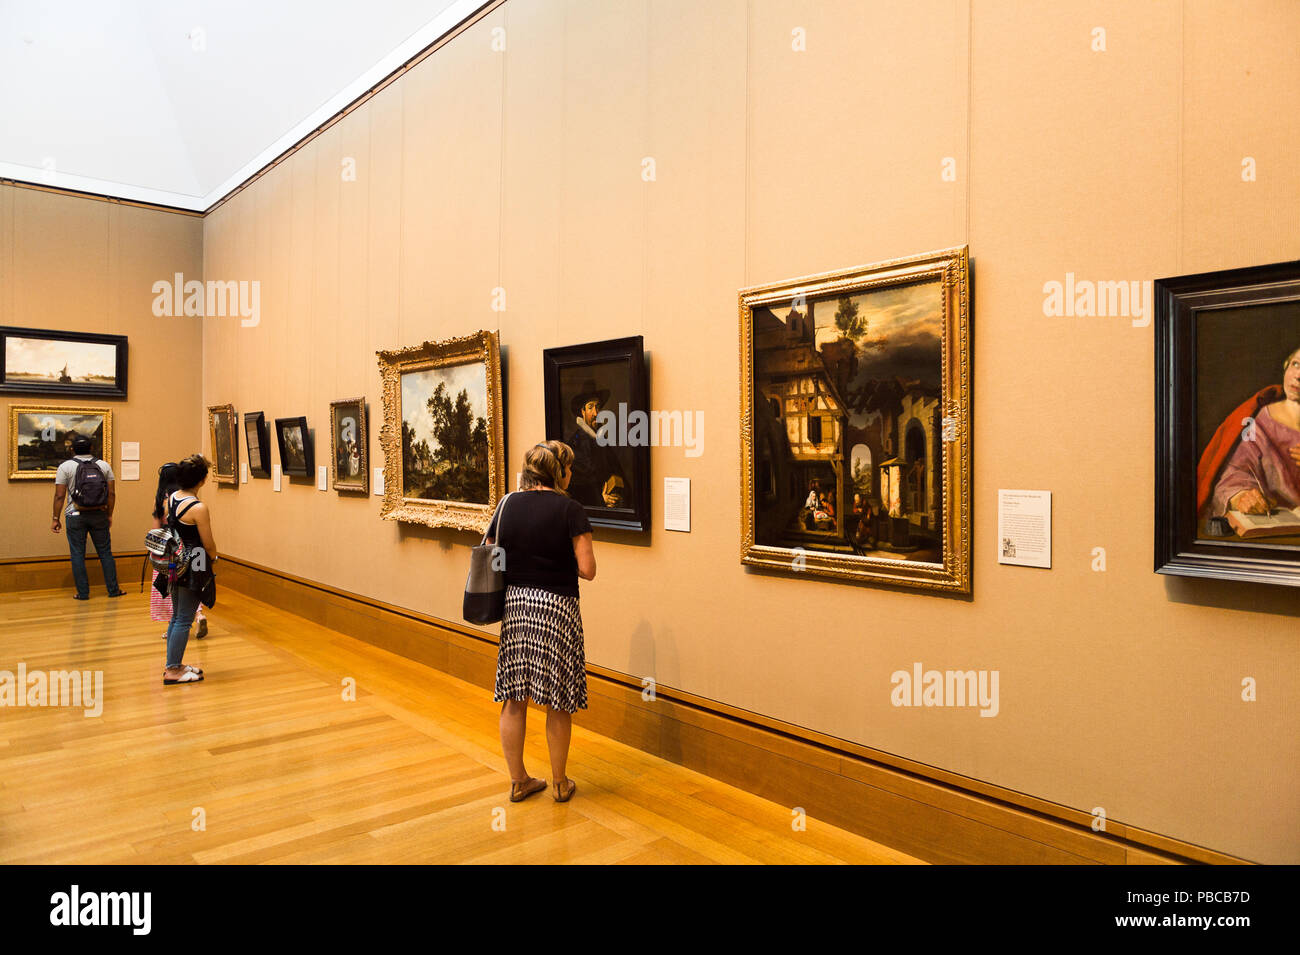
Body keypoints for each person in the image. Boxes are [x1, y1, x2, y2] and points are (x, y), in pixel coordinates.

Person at [484, 440, 596, 803]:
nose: (572, 473)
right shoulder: (570, 509)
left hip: (516, 606)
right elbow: (587, 569)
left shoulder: (507, 504)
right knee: (558, 700)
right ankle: (560, 783)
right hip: (557, 609)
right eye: (570, 467)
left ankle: (519, 780)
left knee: (515, 696)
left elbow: (488, 548)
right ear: (558, 472)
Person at [1199, 345, 1300, 519]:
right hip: (1275, 524)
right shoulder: (1258, 423)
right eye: (1296, 364)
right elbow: (1235, 472)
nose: (1298, 376)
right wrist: (1241, 496)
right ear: (1286, 366)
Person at [162, 454, 218, 685]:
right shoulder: (198, 508)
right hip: (194, 561)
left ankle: (174, 664)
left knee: (177, 616)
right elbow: (208, 543)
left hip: (174, 559)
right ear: (202, 480)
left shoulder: (171, 498)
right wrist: (214, 558)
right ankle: (172, 670)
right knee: (184, 618)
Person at [51, 434, 122, 600]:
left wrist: (55, 518)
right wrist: (109, 514)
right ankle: (113, 590)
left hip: (75, 515)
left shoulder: (65, 467)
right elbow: (111, 493)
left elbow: (59, 496)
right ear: (91, 448)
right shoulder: (103, 465)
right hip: (99, 514)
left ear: (72, 449)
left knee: (77, 554)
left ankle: (83, 593)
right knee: (105, 553)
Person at [149, 462, 207, 639]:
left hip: (169, 551)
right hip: (191, 549)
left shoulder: (162, 500)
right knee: (191, 586)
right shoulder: (188, 499)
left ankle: (172, 627)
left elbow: (156, 528)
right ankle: (198, 615)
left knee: (169, 588)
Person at [566, 380, 627, 508]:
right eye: (590, 407)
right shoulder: (576, 442)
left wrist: (618, 495)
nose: (596, 413)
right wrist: (601, 499)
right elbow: (578, 485)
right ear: (582, 412)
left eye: (598, 407)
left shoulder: (600, 439)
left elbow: (615, 470)